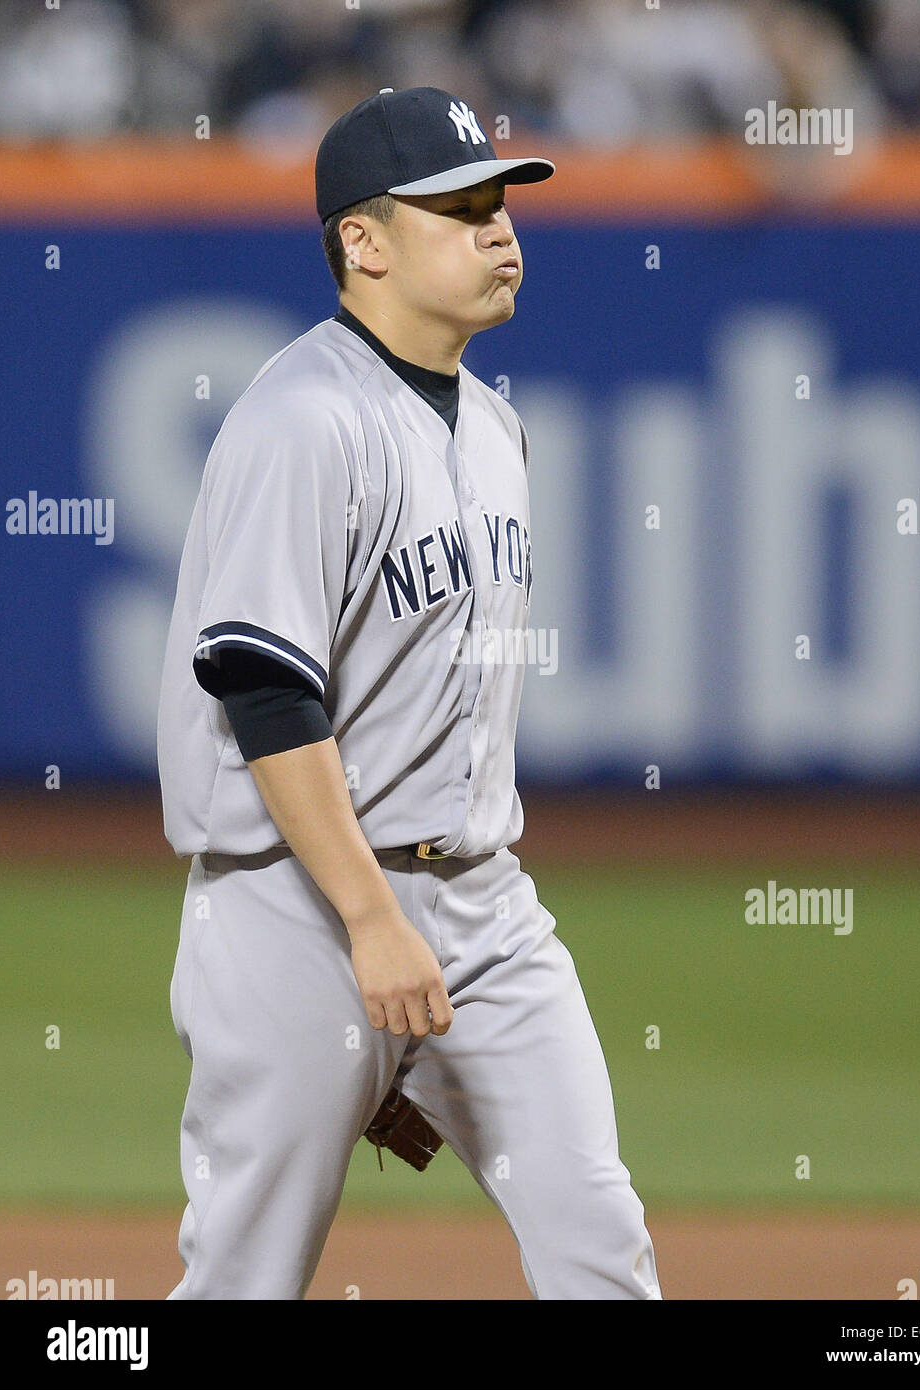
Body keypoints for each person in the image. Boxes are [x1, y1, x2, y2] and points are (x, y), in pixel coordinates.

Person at [156, 85, 661, 1300]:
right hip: (301, 912)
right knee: (244, 1279)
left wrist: (404, 1017)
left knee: (600, 1238)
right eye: (460, 208)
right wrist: (372, 929)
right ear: (363, 244)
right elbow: (266, 690)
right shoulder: (301, 418)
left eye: (502, 202)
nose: (500, 229)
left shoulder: (497, 429)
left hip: (484, 909)